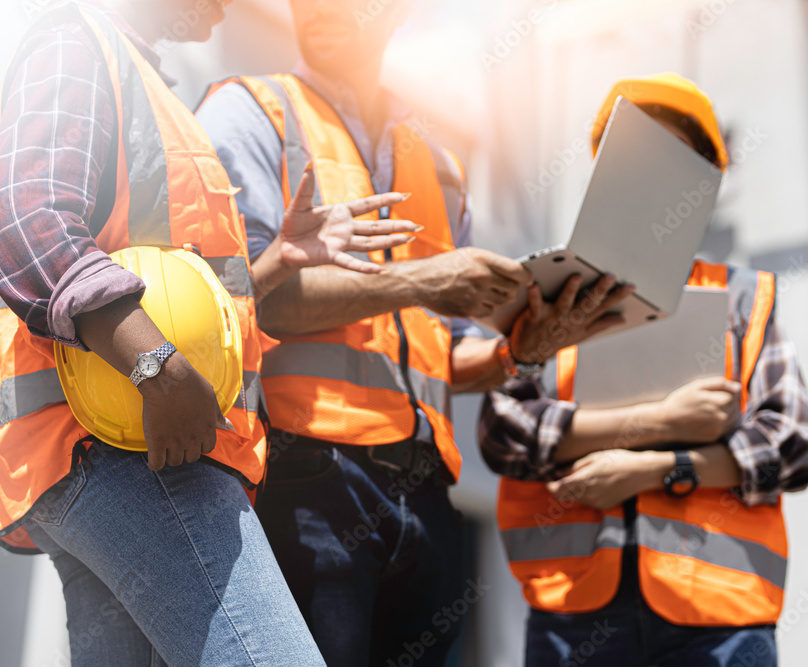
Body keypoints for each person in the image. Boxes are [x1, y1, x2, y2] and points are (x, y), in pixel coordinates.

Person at [0, 1, 422, 664]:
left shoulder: (145, 81)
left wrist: (271, 265)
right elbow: (21, 212)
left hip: (117, 446)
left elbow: (182, 287)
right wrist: (152, 363)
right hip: (129, 445)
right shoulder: (79, 42)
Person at [197, 1, 632, 663]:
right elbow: (251, 301)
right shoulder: (249, 113)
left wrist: (521, 351)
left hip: (424, 501)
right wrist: (425, 281)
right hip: (306, 482)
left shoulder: (439, 163)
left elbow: (446, 351)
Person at [478, 73, 808, 667]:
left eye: (676, 153)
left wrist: (650, 469)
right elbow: (503, 430)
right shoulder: (554, 293)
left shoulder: (738, 298)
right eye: (635, 150)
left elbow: (792, 443)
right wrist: (662, 420)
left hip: (719, 619)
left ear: (708, 178)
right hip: (573, 614)